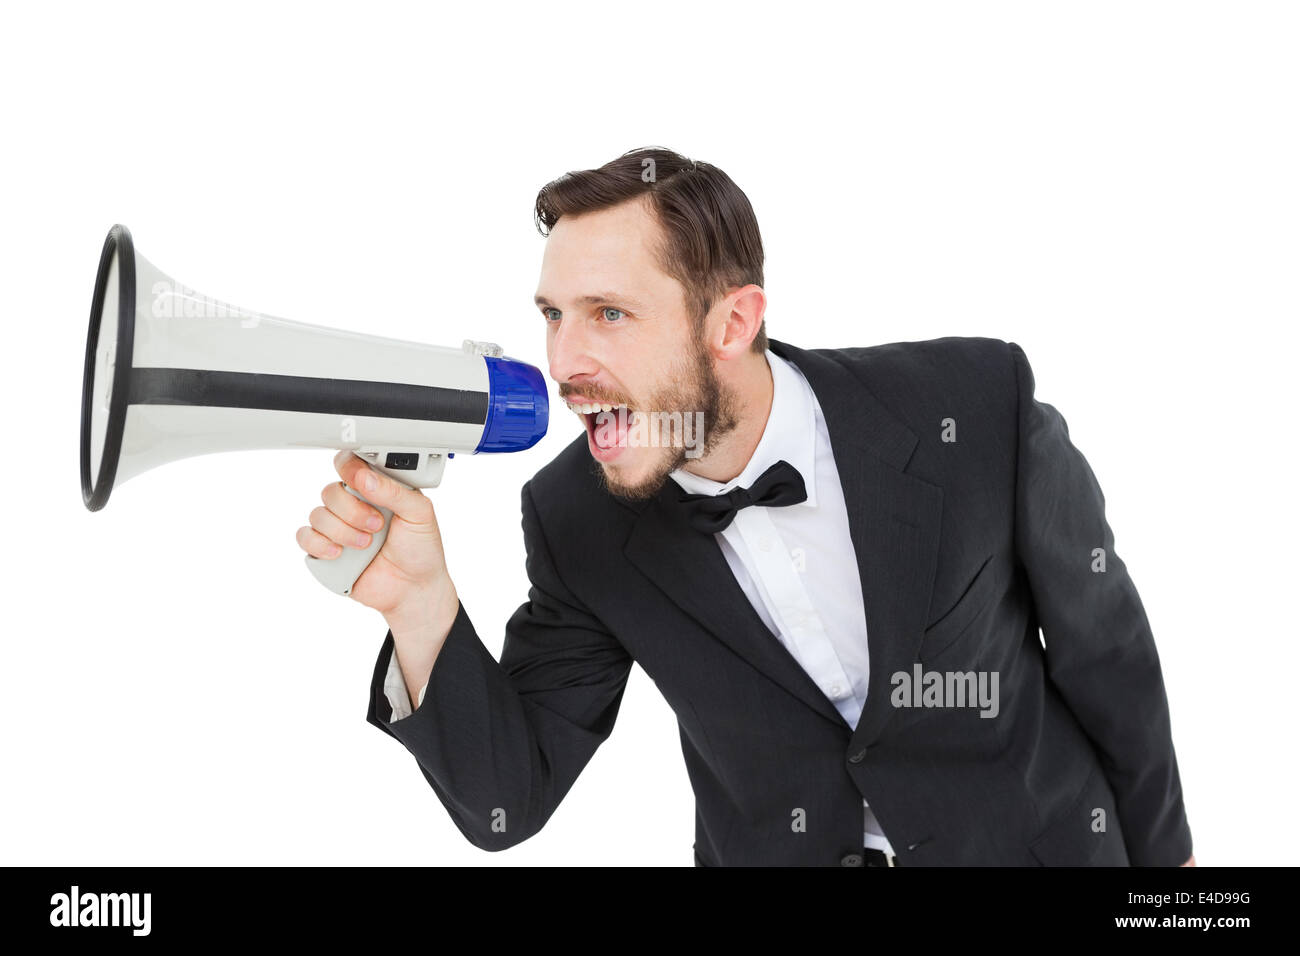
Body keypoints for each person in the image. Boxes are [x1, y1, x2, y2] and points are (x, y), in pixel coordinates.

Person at [296, 147, 1195, 867]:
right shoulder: (574, 518)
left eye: (608, 313)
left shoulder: (974, 403)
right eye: (552, 314)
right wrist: (419, 605)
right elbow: (508, 804)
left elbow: (1107, 658)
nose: (564, 363)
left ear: (732, 323)